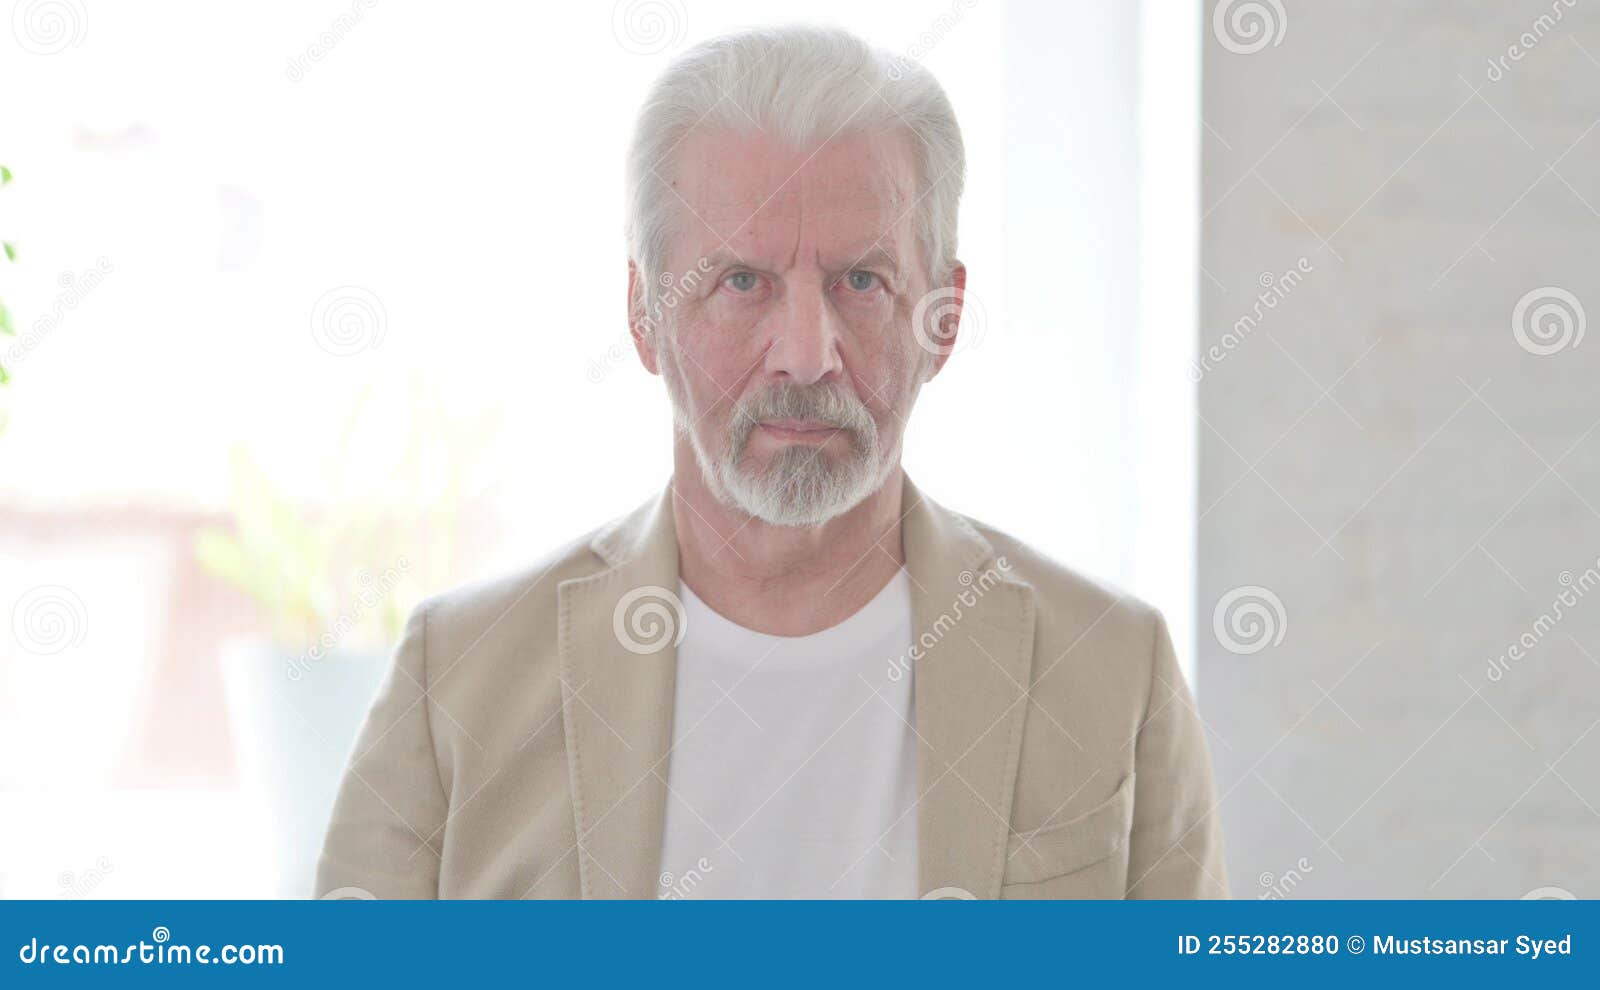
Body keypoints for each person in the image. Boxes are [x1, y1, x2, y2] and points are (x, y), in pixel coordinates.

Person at [317, 23, 1226, 900]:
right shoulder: (455, 681)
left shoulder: (1114, 673)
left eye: (861, 281)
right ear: (644, 313)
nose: (805, 354)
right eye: (742, 281)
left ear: (943, 318)